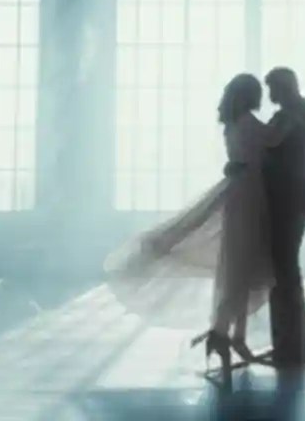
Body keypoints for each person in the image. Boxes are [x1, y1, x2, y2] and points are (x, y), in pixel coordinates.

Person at [103, 73, 294, 374]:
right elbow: (272, 139)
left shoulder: (232, 124)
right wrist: (290, 116)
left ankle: (231, 337)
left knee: (238, 269)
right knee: (241, 269)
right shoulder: (248, 123)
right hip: (249, 197)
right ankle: (225, 335)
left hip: (241, 194)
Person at [255, 67, 305, 368]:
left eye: (272, 88)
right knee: (285, 270)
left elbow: (267, 147)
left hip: (286, 195)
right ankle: (293, 346)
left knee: (283, 271)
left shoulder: (287, 116)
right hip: (300, 194)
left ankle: (290, 348)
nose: (270, 95)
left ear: (283, 87)